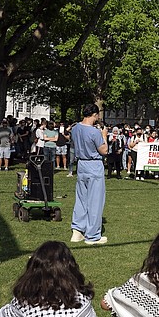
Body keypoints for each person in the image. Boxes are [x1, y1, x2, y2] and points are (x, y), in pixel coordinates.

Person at [71, 104, 108, 245]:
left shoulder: (75, 129)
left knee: (81, 198)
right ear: (94, 114)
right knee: (95, 201)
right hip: (94, 164)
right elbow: (104, 150)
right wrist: (104, 136)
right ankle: (92, 236)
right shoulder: (94, 132)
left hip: (81, 164)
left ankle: (77, 231)